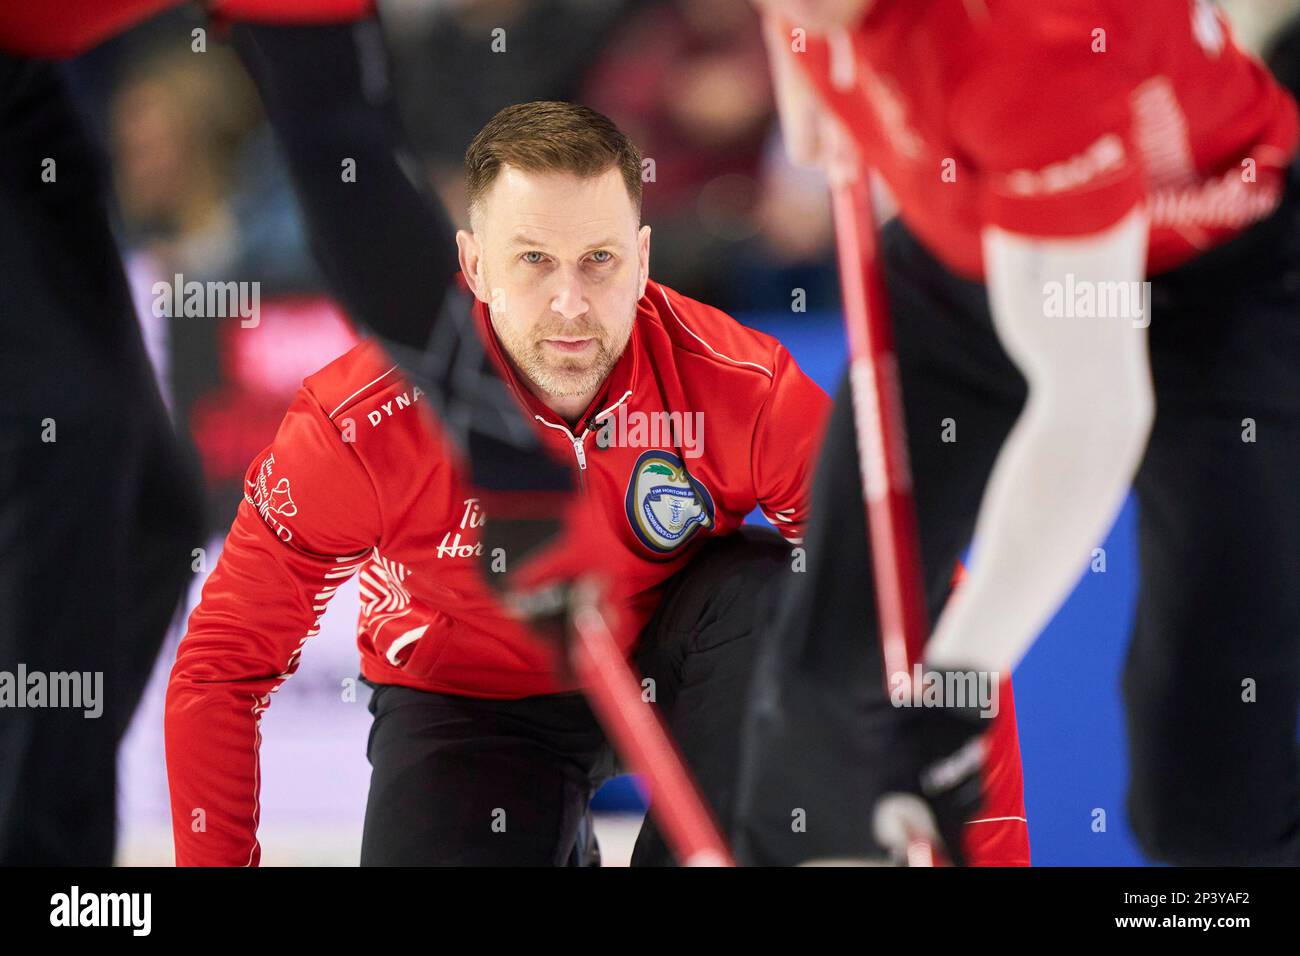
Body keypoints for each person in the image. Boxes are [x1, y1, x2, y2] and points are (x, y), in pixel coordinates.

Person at [164, 100, 1031, 866]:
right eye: (534, 259)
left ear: (645, 257)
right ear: (470, 265)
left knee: (785, 593)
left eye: (600, 260)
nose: (571, 304)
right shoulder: (362, 420)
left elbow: (924, 610)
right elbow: (221, 666)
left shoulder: (741, 384)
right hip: (470, 707)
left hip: (688, 673)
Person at [736, 0, 1300, 866]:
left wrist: (957, 686)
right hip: (968, 248)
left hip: (1211, 274)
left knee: (1209, 785)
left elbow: (1096, 407)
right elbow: (817, 109)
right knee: (826, 691)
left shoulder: (1027, 39)